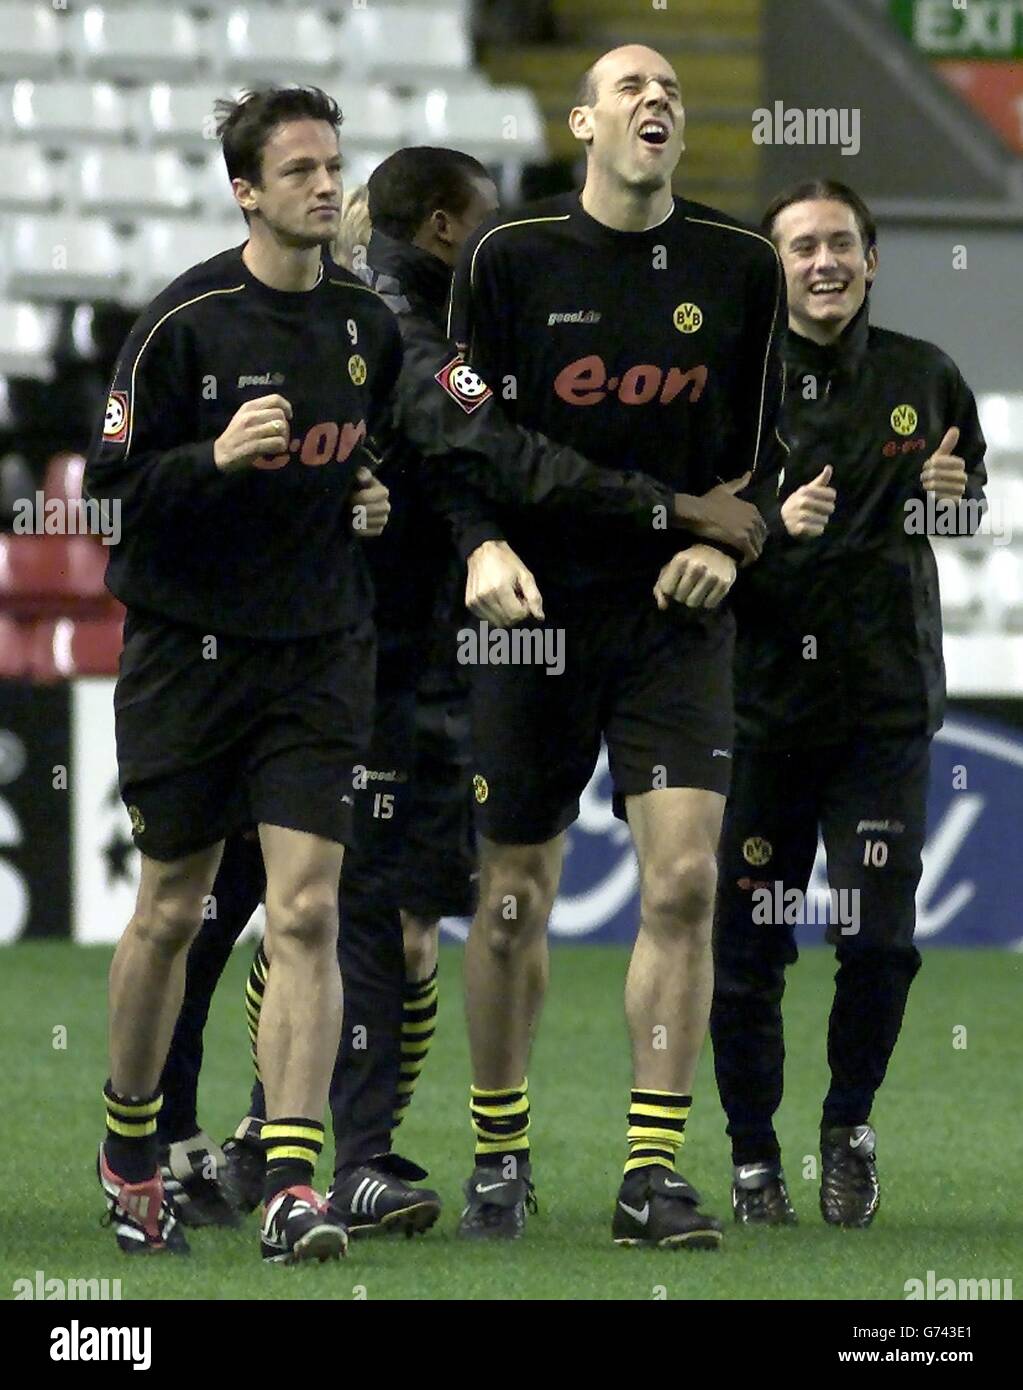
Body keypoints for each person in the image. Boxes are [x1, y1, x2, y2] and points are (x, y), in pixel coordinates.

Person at [153, 145, 746, 1237]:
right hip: (339, 648)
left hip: (385, 646)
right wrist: (670, 507)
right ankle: (309, 1144)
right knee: (313, 906)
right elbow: (480, 441)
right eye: (483, 224)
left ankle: (264, 1134)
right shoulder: (401, 321)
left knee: (354, 911)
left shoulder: (431, 312)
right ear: (441, 230)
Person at [445, 44, 785, 1247]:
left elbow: (766, 456)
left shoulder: (741, 267)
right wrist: (480, 546)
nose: (657, 99)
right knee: (509, 901)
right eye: (631, 86)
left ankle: (651, 1171)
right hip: (530, 614)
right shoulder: (507, 257)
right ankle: (499, 1152)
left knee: (688, 881)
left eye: (673, 92)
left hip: (673, 618)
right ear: (583, 120)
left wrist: (732, 550)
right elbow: (465, 434)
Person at [85, 85, 399, 1264]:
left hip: (319, 652)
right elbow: (103, 494)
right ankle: (130, 1153)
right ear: (247, 192)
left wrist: (369, 496)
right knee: (172, 910)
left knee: (306, 905)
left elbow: (366, 464)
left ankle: (292, 1181)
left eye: (335, 165)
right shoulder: (183, 325)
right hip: (187, 656)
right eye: (302, 169)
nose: (327, 184)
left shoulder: (369, 327)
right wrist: (211, 458)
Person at [710, 179, 987, 1228]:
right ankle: (750, 1158)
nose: (823, 262)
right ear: (772, 268)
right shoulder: (734, 387)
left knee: (876, 941)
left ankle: (847, 1126)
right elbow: (685, 541)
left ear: (871, 260)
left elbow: (964, 508)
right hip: (755, 714)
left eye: (841, 245)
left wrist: (952, 507)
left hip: (882, 711)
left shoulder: (928, 375)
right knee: (747, 953)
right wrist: (775, 527)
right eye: (800, 248)